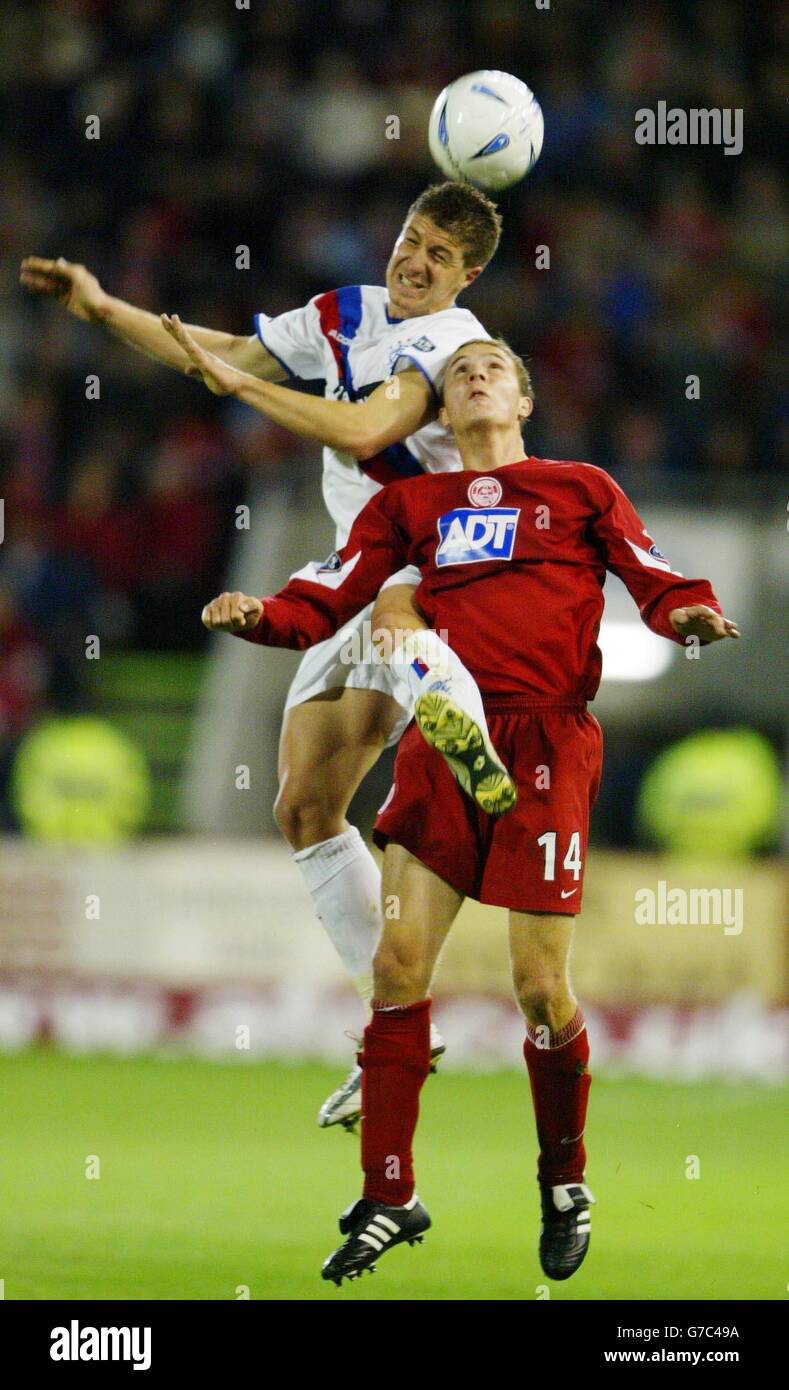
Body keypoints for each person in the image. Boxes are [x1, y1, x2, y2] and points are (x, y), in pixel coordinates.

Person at [198, 336, 740, 1284]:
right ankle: (388, 1195)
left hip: (546, 747)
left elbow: (653, 573)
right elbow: (329, 591)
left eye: (493, 368)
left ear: (524, 400)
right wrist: (263, 617)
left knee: (538, 991)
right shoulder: (410, 506)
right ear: (442, 415)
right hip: (445, 743)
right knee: (397, 968)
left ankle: (563, 1180)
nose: (475, 376)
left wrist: (685, 612)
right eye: (459, 374)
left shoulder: (580, 489)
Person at [20, 183, 507, 1126]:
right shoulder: (343, 314)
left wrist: (251, 392)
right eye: (410, 239)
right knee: (302, 807)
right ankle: (395, 1019)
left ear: (469, 275)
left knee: (403, 618)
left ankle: (460, 720)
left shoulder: (453, 345)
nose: (413, 261)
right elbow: (225, 356)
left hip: (432, 565)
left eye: (438, 256)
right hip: (353, 573)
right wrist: (104, 306)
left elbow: (369, 429)